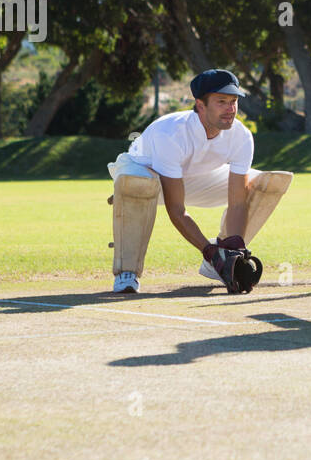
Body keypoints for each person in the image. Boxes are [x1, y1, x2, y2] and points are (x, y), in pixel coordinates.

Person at [107, 68, 292, 294]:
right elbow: (176, 209)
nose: (230, 109)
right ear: (200, 105)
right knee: (139, 184)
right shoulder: (171, 133)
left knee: (267, 183)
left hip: (195, 178)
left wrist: (233, 248)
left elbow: (238, 203)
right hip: (145, 173)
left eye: (233, 101)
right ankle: (128, 272)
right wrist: (208, 250)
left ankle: (220, 260)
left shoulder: (241, 136)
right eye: (221, 101)